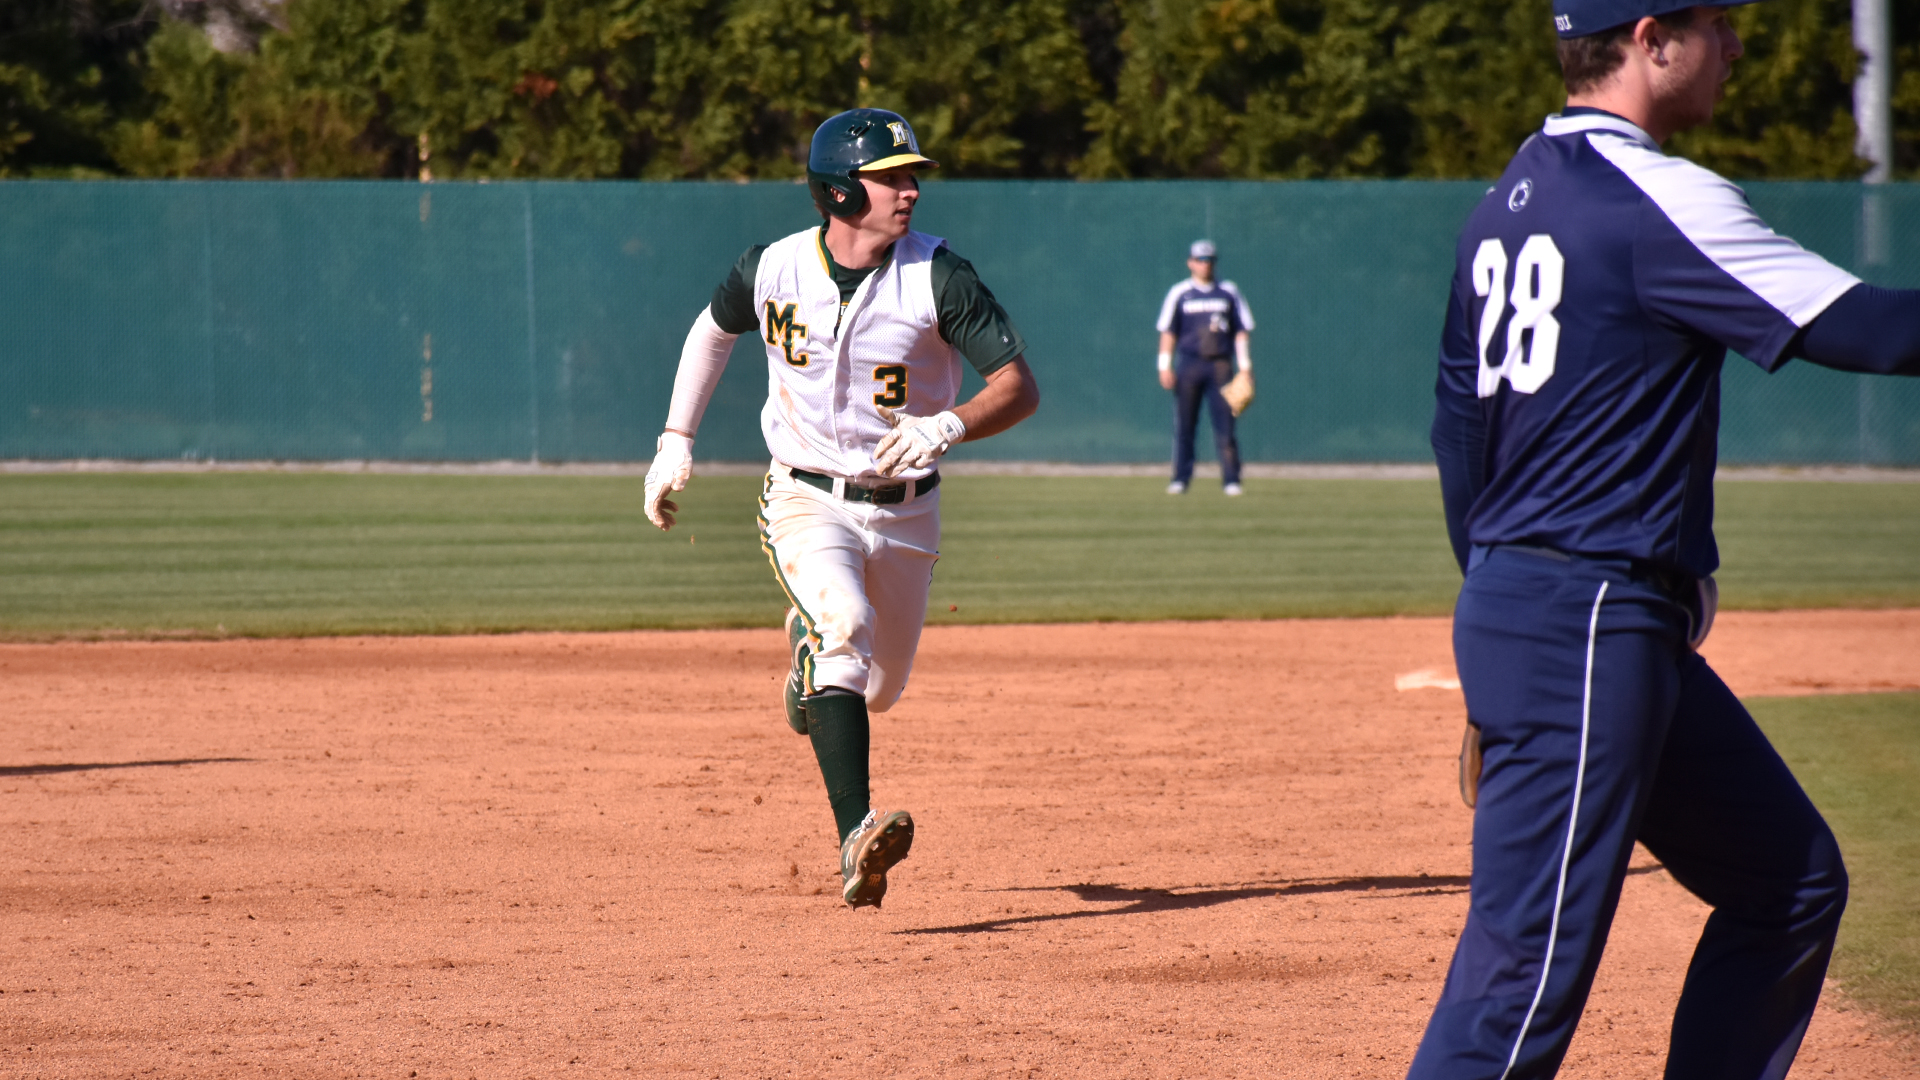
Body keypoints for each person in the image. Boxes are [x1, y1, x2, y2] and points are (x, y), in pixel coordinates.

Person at [1418, 0, 1920, 1076]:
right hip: (1589, 621)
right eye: (1718, 24)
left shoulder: (1505, 203)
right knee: (1521, 981)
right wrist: (1538, 630)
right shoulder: (1656, 197)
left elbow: (1460, 432)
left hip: (1564, 615)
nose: (1736, 47)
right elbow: (1876, 330)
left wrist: (1500, 605)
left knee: (1786, 883)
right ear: (1650, 37)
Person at [642, 108, 1040, 911]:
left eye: (911, 174)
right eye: (891, 176)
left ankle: (807, 672)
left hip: (906, 512)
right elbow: (713, 333)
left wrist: (949, 423)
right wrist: (675, 437)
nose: (911, 190)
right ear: (837, 191)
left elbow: (1018, 388)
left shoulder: (939, 277)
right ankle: (856, 835)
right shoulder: (774, 267)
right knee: (846, 630)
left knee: (878, 688)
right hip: (803, 496)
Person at [1155, 240, 1255, 495]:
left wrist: (1245, 367)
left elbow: (1241, 331)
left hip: (1220, 364)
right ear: (1190, 262)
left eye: (1209, 260)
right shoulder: (1180, 293)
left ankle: (1231, 480)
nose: (1204, 265)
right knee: (1185, 426)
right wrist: (1164, 365)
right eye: (1200, 260)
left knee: (1225, 426)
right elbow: (1168, 331)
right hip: (1189, 363)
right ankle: (1180, 478)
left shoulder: (1228, 291)